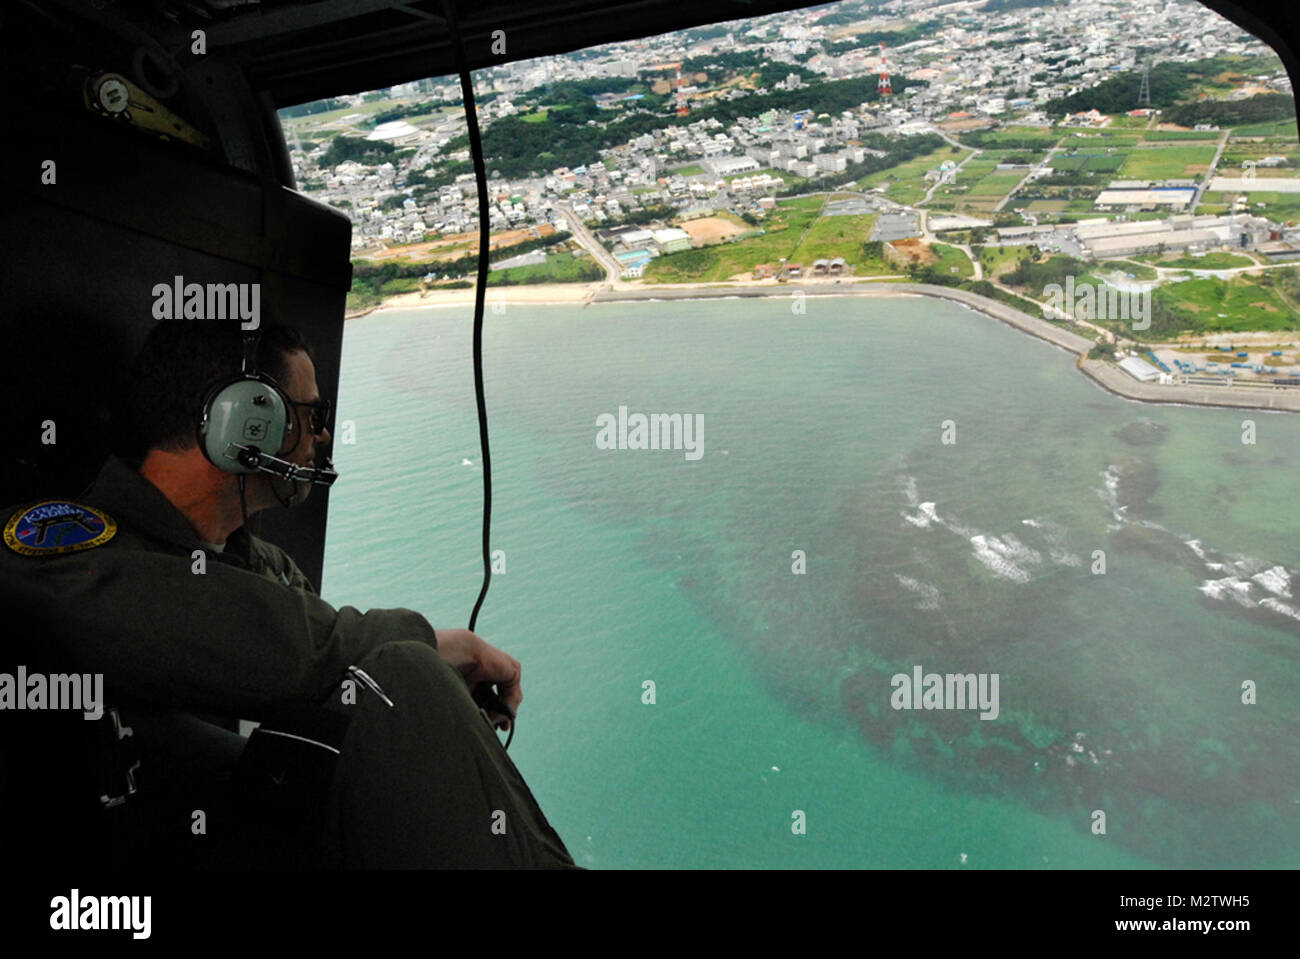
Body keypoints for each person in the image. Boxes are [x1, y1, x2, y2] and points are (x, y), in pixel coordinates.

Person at [0, 319, 577, 868]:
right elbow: (230, 632)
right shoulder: (57, 547)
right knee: (406, 672)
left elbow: (313, 669)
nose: (321, 435)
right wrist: (423, 645)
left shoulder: (260, 566)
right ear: (238, 423)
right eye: (308, 414)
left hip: (259, 841)